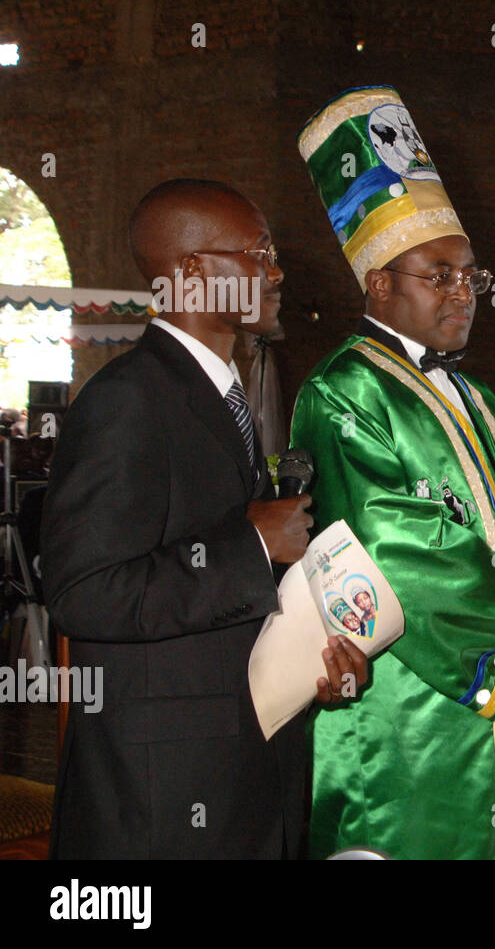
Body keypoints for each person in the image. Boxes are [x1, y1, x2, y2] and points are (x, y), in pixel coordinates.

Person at [290, 87, 495, 860]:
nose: (464, 291)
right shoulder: (343, 391)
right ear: (380, 283)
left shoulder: (477, 395)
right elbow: (397, 546)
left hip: (488, 710)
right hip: (405, 707)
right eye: (439, 274)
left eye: (469, 275)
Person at [40, 178, 368, 859]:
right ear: (192, 273)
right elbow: (82, 591)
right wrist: (249, 542)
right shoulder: (128, 399)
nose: (276, 271)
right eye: (258, 252)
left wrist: (310, 652)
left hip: (246, 768)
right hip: (160, 794)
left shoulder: (222, 395)